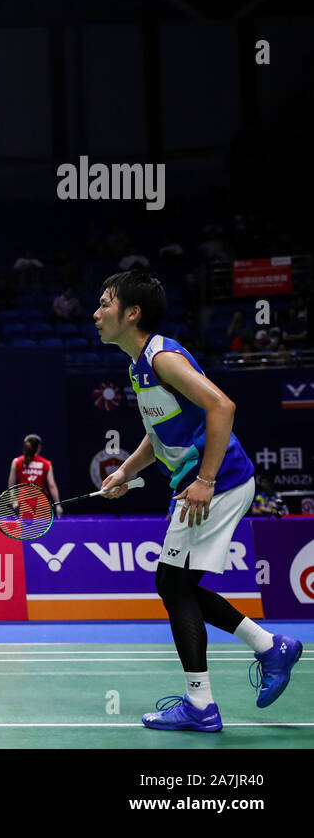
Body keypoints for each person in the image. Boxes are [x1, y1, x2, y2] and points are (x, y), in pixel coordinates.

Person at [94, 268, 302, 732]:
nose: (97, 313)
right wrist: (127, 470)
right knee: (176, 585)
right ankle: (269, 649)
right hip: (201, 481)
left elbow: (222, 406)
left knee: (172, 585)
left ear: (133, 312)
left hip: (219, 480)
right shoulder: (139, 365)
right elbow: (160, 433)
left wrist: (206, 479)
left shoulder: (162, 357)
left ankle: (203, 704)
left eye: (106, 303)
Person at [8, 434, 62, 518]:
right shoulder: (46, 463)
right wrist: (58, 505)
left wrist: (14, 502)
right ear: (39, 447)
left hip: (24, 505)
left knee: (26, 527)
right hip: (41, 503)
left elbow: (11, 485)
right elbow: (52, 485)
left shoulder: (16, 462)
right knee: (43, 526)